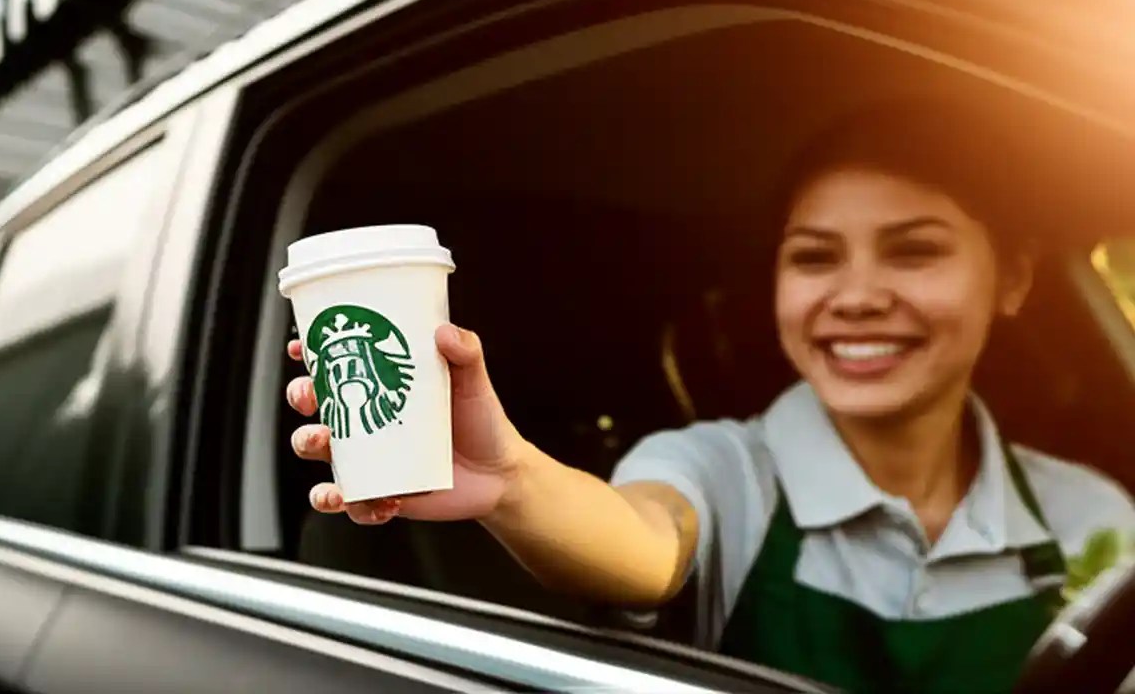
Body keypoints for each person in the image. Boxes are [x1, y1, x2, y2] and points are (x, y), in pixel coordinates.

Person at [284, 105, 1135, 693]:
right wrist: (514, 484)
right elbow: (647, 537)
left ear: (1014, 277)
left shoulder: (1095, 516)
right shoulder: (718, 466)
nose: (858, 295)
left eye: (913, 252)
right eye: (813, 258)